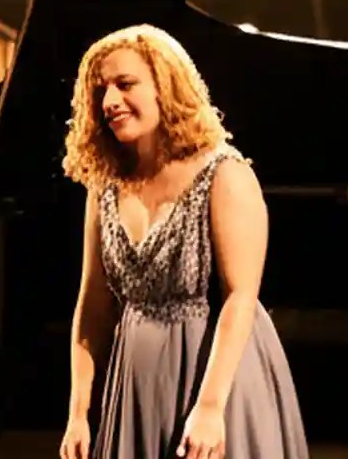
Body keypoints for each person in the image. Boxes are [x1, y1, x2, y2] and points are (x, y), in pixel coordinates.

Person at [58, 25, 308, 459]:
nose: (109, 101)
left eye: (125, 84)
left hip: (214, 377)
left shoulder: (224, 175)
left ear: (165, 87)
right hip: (134, 380)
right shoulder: (105, 187)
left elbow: (241, 297)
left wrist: (210, 407)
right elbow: (93, 302)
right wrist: (79, 412)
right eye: (101, 90)